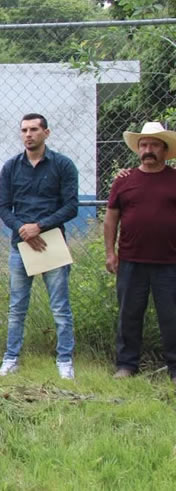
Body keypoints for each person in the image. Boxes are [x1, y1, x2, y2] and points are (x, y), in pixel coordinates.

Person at [0, 114, 79, 380]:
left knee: (60, 308)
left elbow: (71, 206)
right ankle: (11, 358)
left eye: (34, 129)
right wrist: (23, 229)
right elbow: (3, 207)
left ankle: (65, 360)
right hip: (19, 244)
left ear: (46, 133)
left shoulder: (63, 165)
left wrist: (39, 227)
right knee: (17, 307)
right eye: (24, 130)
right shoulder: (10, 167)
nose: (28, 134)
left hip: (51, 241)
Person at [105, 122, 176, 384]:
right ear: (138, 149)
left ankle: (174, 368)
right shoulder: (124, 181)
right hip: (131, 260)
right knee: (129, 314)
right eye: (144, 145)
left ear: (164, 150)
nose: (148, 150)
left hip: (170, 262)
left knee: (171, 316)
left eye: (154, 145)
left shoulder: (174, 179)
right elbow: (111, 219)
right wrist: (110, 253)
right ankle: (126, 365)